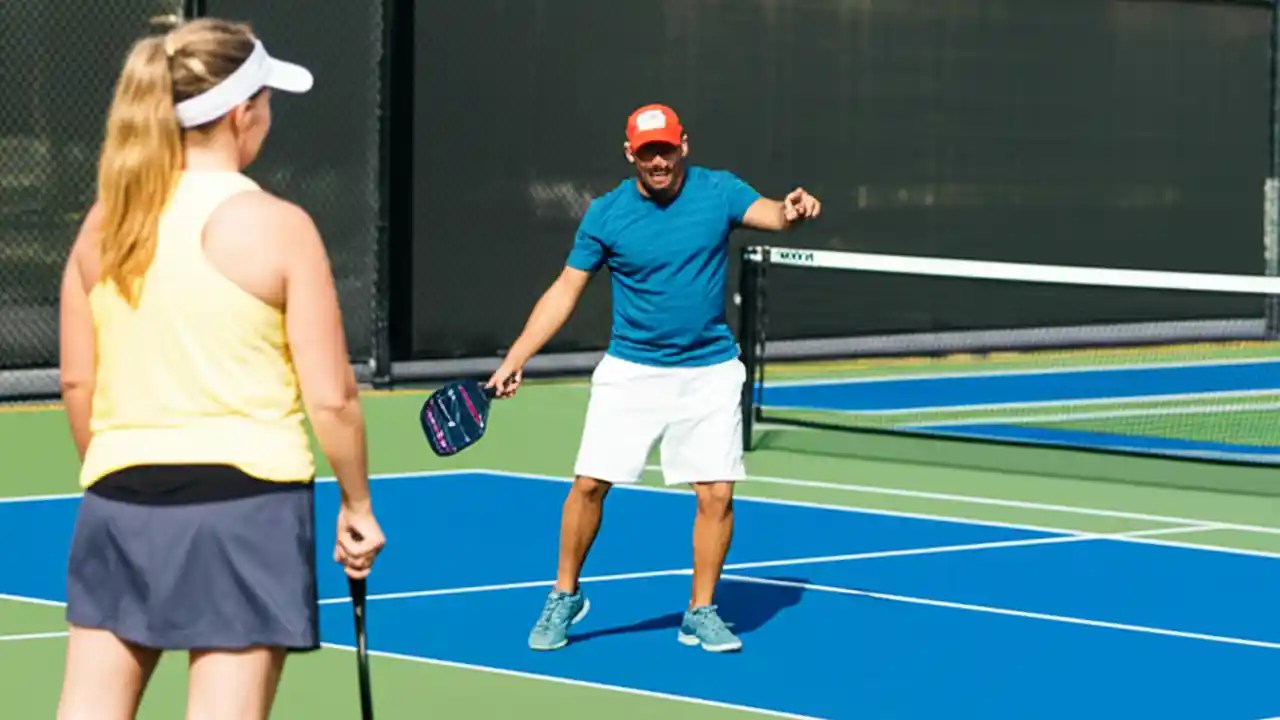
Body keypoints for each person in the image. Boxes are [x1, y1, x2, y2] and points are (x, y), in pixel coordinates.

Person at [55, 18, 385, 720]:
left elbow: (78, 384)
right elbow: (332, 398)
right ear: (244, 113)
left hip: (117, 500)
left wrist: (123, 470)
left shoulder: (101, 225)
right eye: (266, 99)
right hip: (248, 509)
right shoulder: (279, 225)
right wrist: (356, 506)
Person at [487, 103, 821, 653]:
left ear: (683, 144)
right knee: (589, 485)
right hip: (632, 372)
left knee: (716, 492)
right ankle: (564, 595)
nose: (659, 160)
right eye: (647, 153)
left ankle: (702, 609)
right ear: (630, 155)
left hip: (709, 370)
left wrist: (793, 209)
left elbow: (774, 214)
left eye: (666, 148)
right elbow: (564, 291)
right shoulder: (606, 214)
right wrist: (516, 357)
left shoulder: (720, 192)